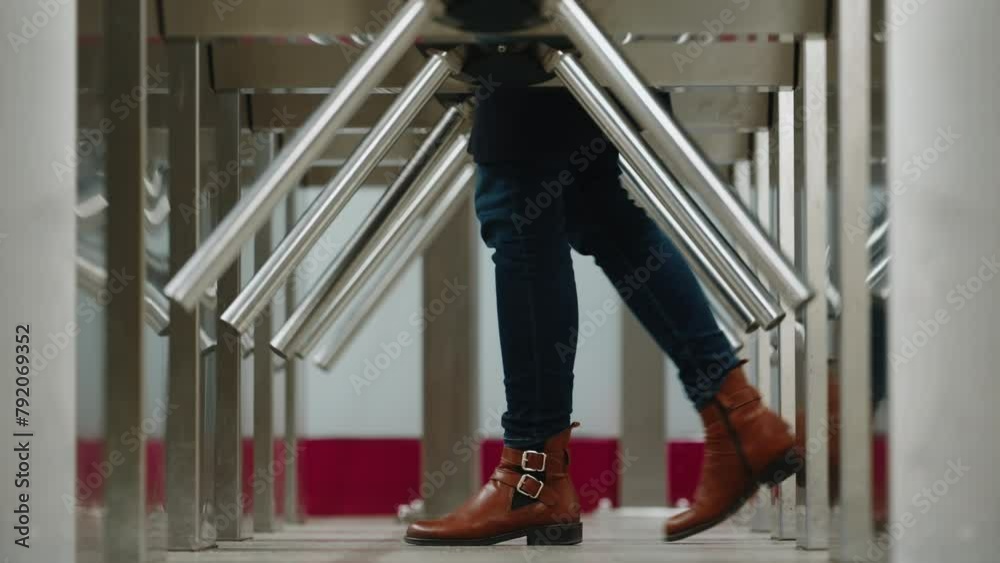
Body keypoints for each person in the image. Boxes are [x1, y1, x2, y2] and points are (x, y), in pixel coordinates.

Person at [404, 81, 799, 546]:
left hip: (533, 24)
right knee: (591, 203)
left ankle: (532, 474)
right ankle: (737, 414)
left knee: (515, 198)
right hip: (601, 25)